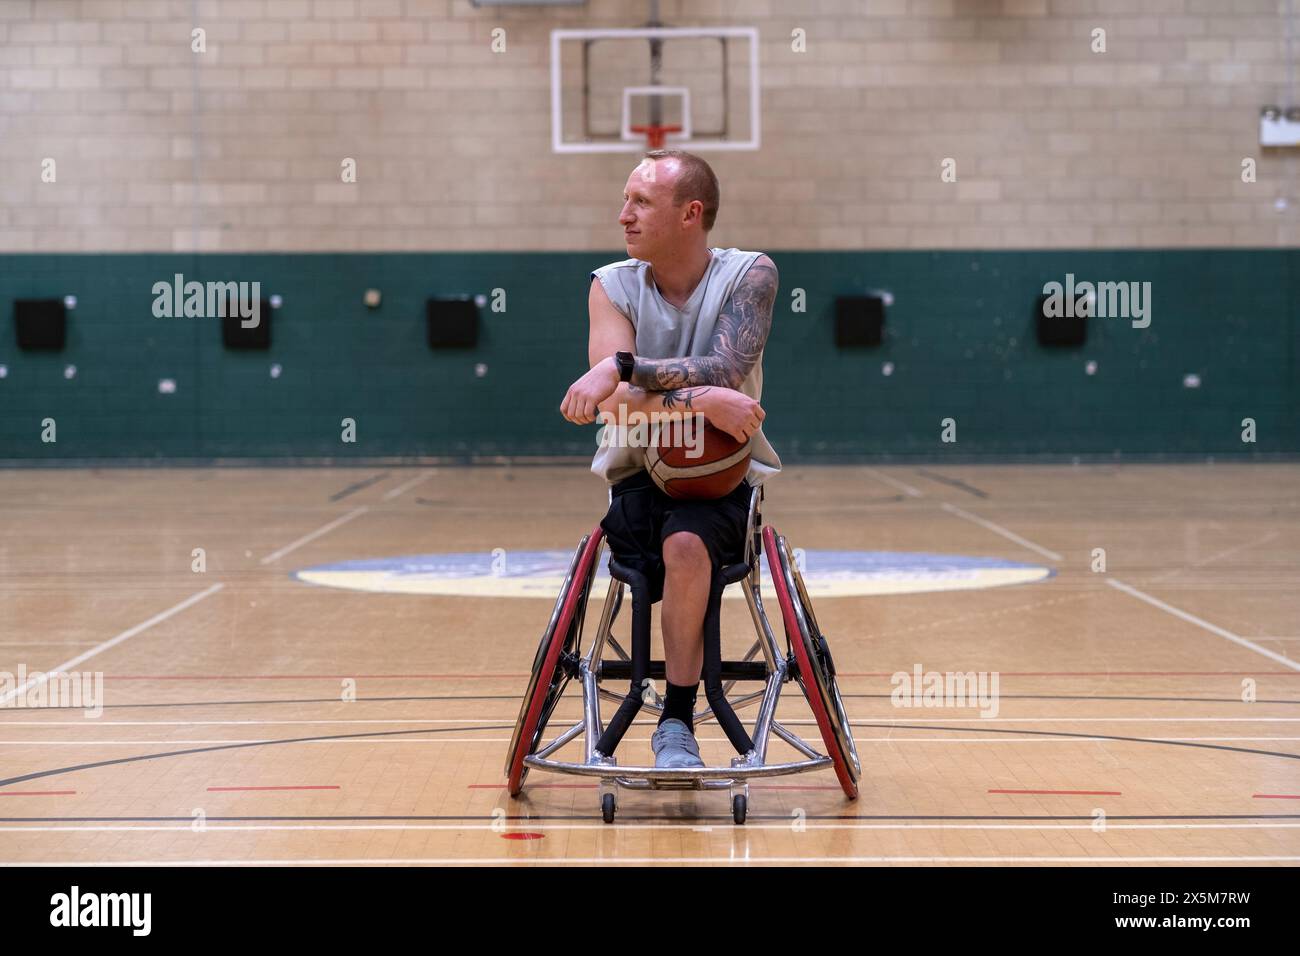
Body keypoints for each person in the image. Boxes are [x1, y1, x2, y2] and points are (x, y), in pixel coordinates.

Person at [559, 148, 781, 768]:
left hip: (722, 485)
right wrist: (705, 401)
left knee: (689, 546)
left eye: (640, 203)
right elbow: (616, 410)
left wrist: (625, 368)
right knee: (663, 539)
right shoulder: (612, 284)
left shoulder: (751, 275)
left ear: (690, 213)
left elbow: (729, 370)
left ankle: (676, 723)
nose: (623, 215)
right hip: (635, 481)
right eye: (626, 200)